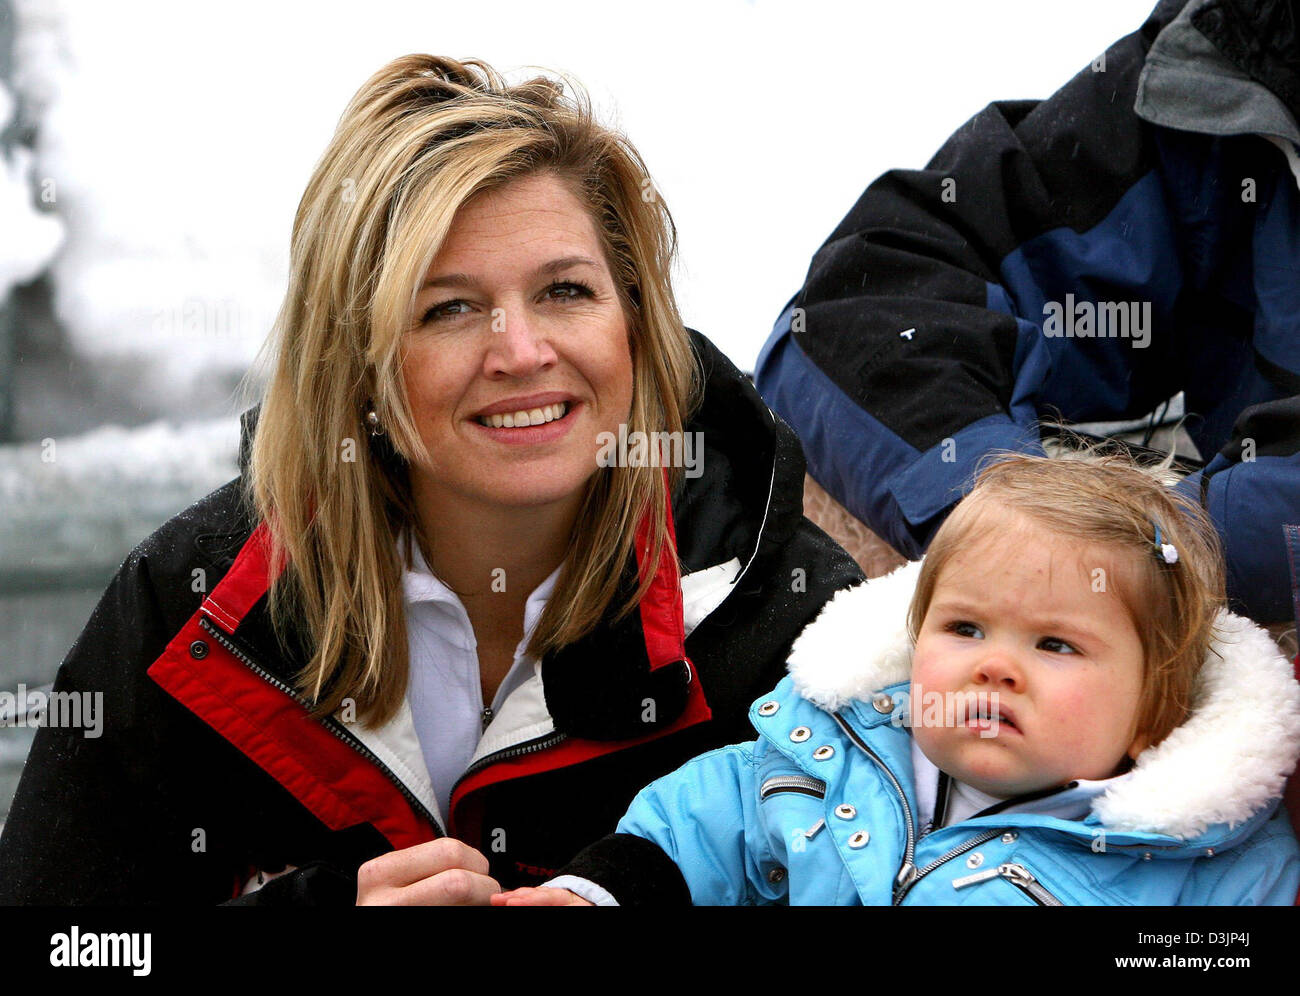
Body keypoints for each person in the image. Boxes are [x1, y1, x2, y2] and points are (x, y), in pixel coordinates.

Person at [0, 55, 863, 905]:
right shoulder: (197, 601)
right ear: (357, 363)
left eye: (566, 291)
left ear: (637, 325)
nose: (522, 352)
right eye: (448, 308)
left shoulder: (791, 620)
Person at [496, 449, 1300, 905]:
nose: (994, 663)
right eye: (964, 628)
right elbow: (694, 831)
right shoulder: (824, 760)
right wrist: (594, 896)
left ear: (1153, 711)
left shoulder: (1205, 868)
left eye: (1055, 644)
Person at [754, 0, 1300, 627]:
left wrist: (1148, 560)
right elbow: (854, 313)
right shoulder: (1221, 71)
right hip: (1151, 550)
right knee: (825, 481)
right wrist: (1009, 519)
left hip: (1205, 597)